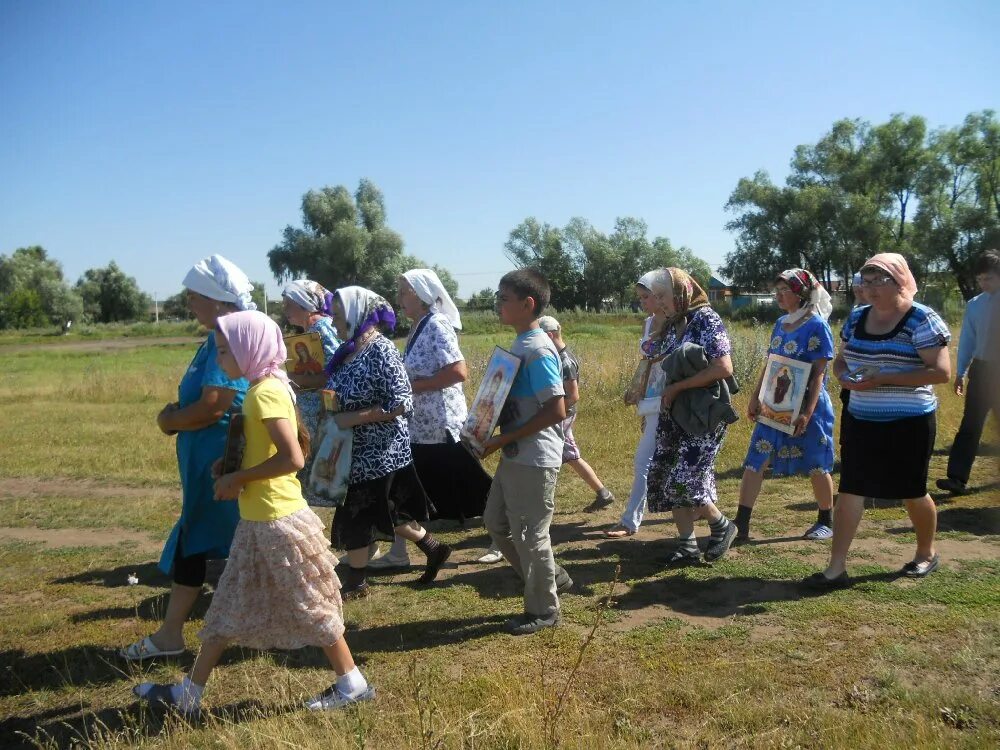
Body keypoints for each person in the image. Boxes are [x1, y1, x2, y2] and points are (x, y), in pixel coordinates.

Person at [134, 311, 373, 714]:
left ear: (250, 349)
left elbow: (293, 457)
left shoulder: (264, 393)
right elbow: (271, 448)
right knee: (226, 606)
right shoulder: (266, 386)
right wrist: (232, 466)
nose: (220, 358)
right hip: (259, 518)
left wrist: (239, 477)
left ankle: (352, 683)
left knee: (312, 605)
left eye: (225, 351)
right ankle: (189, 694)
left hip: (277, 520)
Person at [120, 255, 252, 661]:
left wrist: (169, 421)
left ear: (216, 300)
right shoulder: (215, 338)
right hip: (205, 462)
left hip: (218, 462)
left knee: (201, 542)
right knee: (229, 541)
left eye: (194, 297)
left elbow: (214, 405)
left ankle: (171, 635)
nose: (189, 304)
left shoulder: (226, 338)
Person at [805, 253, 951, 589]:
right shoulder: (857, 317)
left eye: (878, 281)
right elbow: (841, 360)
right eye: (865, 281)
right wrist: (843, 377)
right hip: (861, 417)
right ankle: (836, 568)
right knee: (851, 488)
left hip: (910, 421)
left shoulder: (921, 319)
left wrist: (883, 378)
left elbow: (941, 372)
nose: (869, 288)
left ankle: (926, 553)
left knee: (912, 491)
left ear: (899, 282)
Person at [326, 286, 450, 598]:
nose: (333, 321)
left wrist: (353, 418)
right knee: (386, 512)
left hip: (379, 452)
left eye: (338, 315)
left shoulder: (381, 350)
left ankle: (356, 583)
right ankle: (433, 548)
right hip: (353, 450)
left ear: (356, 314)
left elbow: (401, 402)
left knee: (357, 514)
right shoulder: (348, 349)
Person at [368, 269, 493, 570]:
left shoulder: (436, 324)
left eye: (403, 292)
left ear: (422, 296)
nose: (398, 298)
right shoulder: (418, 326)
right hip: (419, 427)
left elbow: (458, 371)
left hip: (442, 427)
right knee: (409, 489)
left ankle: (505, 537)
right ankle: (399, 552)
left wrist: (412, 387)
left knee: (473, 487)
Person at [480, 269, 574, 635]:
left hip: (534, 458)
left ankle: (544, 609)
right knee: (496, 522)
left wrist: (502, 439)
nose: (498, 304)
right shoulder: (521, 344)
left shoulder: (537, 349)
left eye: (504, 298)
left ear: (527, 303)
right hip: (515, 454)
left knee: (530, 535)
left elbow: (557, 409)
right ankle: (551, 578)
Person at [644, 268, 739, 564]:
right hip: (675, 413)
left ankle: (721, 525)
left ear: (681, 292)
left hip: (702, 415)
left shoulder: (706, 319)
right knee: (666, 472)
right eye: (656, 296)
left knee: (685, 479)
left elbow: (723, 367)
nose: (660, 302)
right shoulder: (674, 323)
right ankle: (687, 545)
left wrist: (678, 387)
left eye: (663, 296)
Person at [735, 269, 836, 542]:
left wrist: (808, 412)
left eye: (785, 291)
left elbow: (819, 373)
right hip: (775, 401)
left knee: (816, 462)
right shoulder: (780, 323)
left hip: (808, 405)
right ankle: (740, 524)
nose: (778, 296)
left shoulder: (817, 325)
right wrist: (755, 396)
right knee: (757, 457)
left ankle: (826, 520)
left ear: (800, 293)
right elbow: (771, 362)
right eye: (776, 291)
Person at [604, 272, 669, 538]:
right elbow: (646, 362)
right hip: (651, 398)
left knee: (644, 460)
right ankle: (700, 508)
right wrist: (638, 394)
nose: (642, 302)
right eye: (640, 298)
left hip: (672, 399)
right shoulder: (647, 323)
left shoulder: (679, 323)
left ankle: (630, 520)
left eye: (646, 297)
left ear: (661, 295)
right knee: (660, 458)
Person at [936, 250, 999, 495]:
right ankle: (957, 478)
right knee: (970, 424)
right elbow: (968, 341)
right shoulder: (975, 305)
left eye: (988, 278)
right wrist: (960, 372)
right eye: (980, 279)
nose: (983, 284)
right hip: (982, 370)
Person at [536, 315, 615, 509]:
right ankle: (602, 493)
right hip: (561, 414)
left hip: (562, 415)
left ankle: (539, 501)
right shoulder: (559, 356)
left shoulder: (565, 361)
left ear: (550, 335)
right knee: (568, 456)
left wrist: (553, 412)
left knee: (554, 455)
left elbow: (573, 395)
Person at [281, 280, 343, 507]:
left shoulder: (321, 328)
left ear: (304, 304)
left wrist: (298, 380)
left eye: (289, 305)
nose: (285, 310)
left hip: (320, 411)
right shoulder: (310, 330)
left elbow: (338, 369)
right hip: (311, 411)